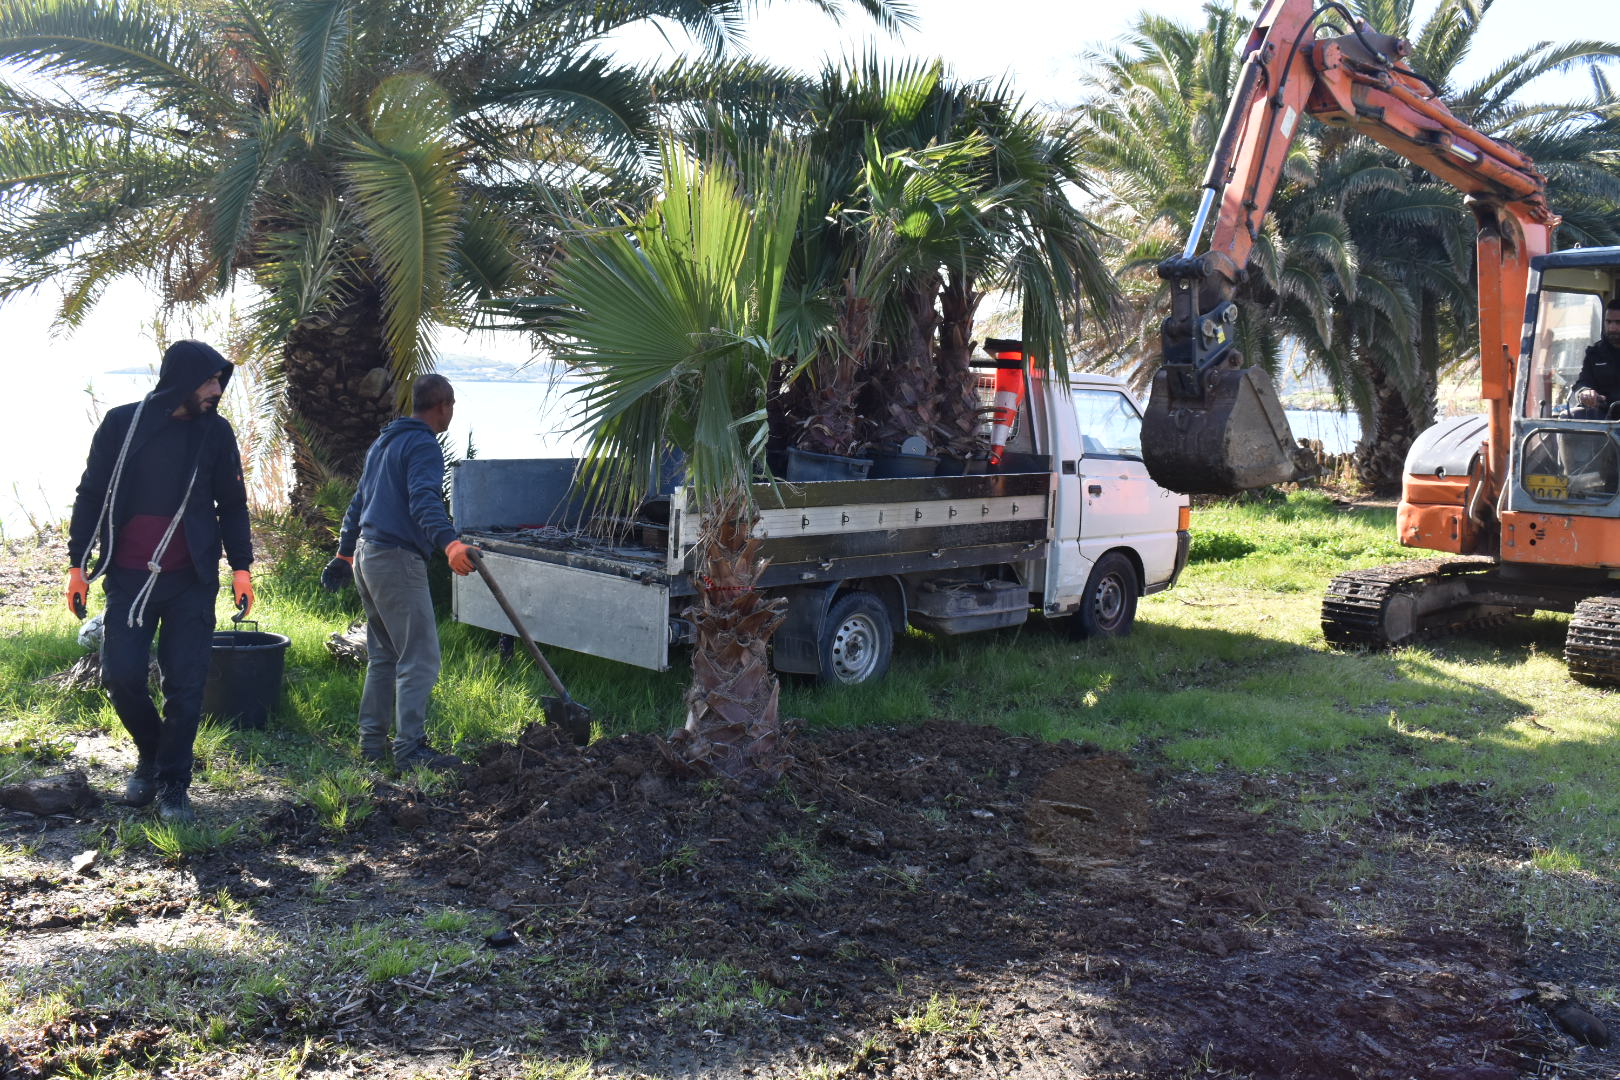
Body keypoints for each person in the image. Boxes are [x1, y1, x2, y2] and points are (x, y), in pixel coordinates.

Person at [65, 340, 254, 823]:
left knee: (185, 686)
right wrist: (77, 566)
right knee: (120, 675)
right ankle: (151, 755)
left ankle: (173, 782)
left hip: (191, 577)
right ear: (183, 380)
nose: (217, 390)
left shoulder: (216, 433)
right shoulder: (121, 425)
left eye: (219, 381)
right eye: (210, 381)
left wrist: (241, 568)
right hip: (129, 578)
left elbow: (232, 504)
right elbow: (91, 495)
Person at [324, 373, 475, 770]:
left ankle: (372, 747)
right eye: (452, 406)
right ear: (443, 405)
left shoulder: (385, 441)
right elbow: (424, 498)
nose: (451, 413)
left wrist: (343, 554)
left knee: (385, 656)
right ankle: (410, 751)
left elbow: (359, 501)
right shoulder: (424, 445)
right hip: (395, 560)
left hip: (367, 555)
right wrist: (450, 543)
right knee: (420, 657)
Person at [1571, 298, 1620, 417]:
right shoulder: (1595, 353)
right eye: (1608, 322)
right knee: (1572, 416)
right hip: (1604, 422)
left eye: (1618, 322)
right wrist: (1584, 392)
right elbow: (1583, 382)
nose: (1612, 328)